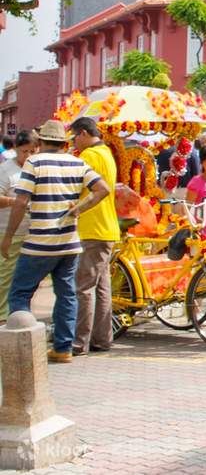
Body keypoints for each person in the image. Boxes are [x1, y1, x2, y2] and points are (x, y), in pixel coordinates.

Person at [2, 120, 111, 364]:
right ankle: (63, 348)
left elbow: (20, 202)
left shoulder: (34, 162)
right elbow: (102, 189)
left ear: (40, 142)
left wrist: (8, 236)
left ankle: (22, 348)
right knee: (66, 294)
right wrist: (79, 209)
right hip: (69, 243)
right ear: (64, 142)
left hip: (39, 243)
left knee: (19, 294)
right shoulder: (78, 162)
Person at [69, 118, 120, 356]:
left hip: (91, 228)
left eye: (75, 137)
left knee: (84, 288)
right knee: (101, 288)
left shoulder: (89, 156)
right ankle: (102, 339)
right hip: (107, 228)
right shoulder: (106, 153)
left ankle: (79, 342)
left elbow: (75, 188)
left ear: (83, 133)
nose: (74, 143)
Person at [0, 130, 35, 321]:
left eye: (32, 151)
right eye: (24, 152)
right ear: (16, 150)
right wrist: (17, 202)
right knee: (5, 278)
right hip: (8, 231)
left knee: (25, 280)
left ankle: (20, 316)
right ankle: (3, 319)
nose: (28, 156)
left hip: (32, 233)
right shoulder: (6, 170)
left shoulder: (37, 167)